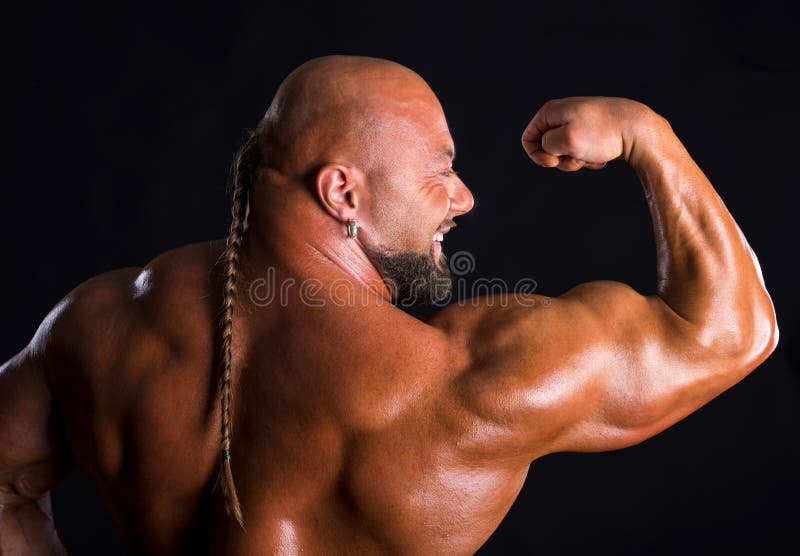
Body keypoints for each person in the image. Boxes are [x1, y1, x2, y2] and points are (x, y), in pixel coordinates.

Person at [0, 55, 778, 555]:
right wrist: (648, 135)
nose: (464, 196)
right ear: (343, 193)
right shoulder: (469, 381)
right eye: (441, 169)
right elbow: (728, 332)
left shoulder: (97, 327)